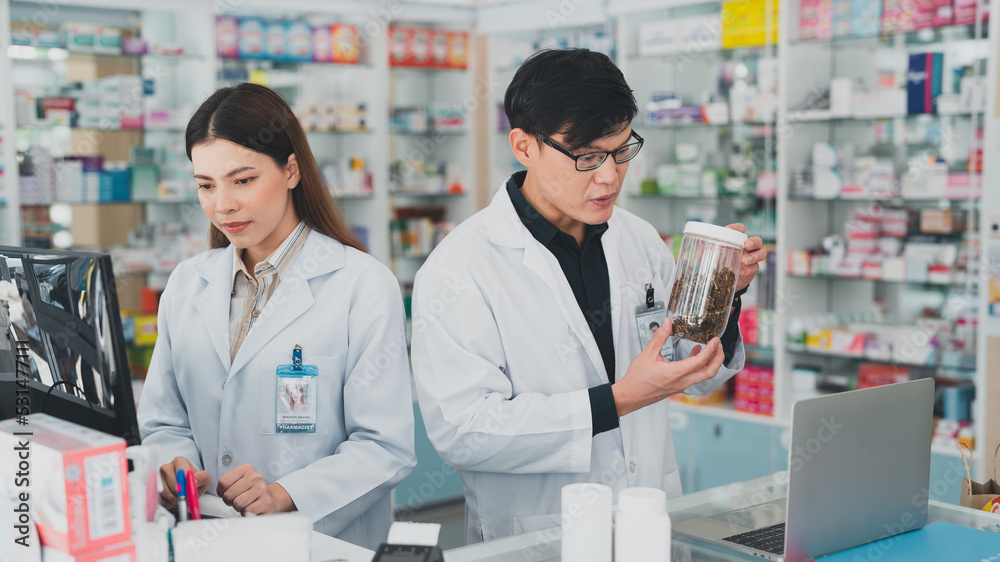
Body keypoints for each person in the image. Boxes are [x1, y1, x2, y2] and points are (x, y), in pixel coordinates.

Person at [410, 49, 767, 543]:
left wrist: (725, 293)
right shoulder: (460, 268)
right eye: (588, 157)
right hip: (537, 536)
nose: (610, 176)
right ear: (523, 145)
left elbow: (694, 373)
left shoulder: (639, 239)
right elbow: (466, 433)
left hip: (646, 520)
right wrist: (620, 400)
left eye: (622, 150)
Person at [137, 83, 416, 548]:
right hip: (204, 536)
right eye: (206, 185)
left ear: (291, 169)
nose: (222, 205)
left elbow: (385, 447)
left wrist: (285, 493)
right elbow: (165, 421)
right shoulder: (188, 283)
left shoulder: (361, 284)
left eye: (242, 180)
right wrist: (175, 466)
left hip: (318, 541)